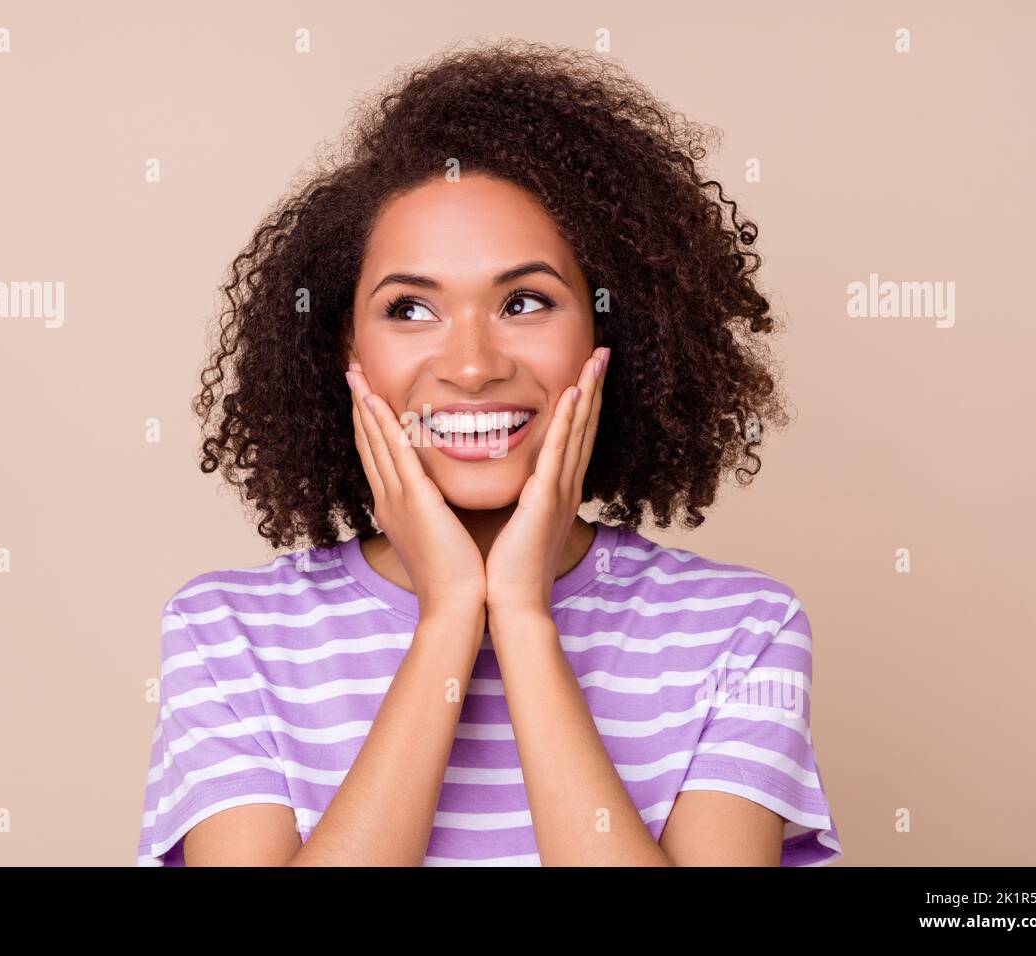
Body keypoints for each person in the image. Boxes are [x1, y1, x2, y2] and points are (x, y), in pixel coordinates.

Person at [137, 38, 840, 866]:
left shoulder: (742, 631)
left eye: (525, 301)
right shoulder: (227, 636)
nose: (472, 365)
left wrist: (525, 619)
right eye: (410, 310)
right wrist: (446, 618)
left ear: (608, 331)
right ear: (344, 351)